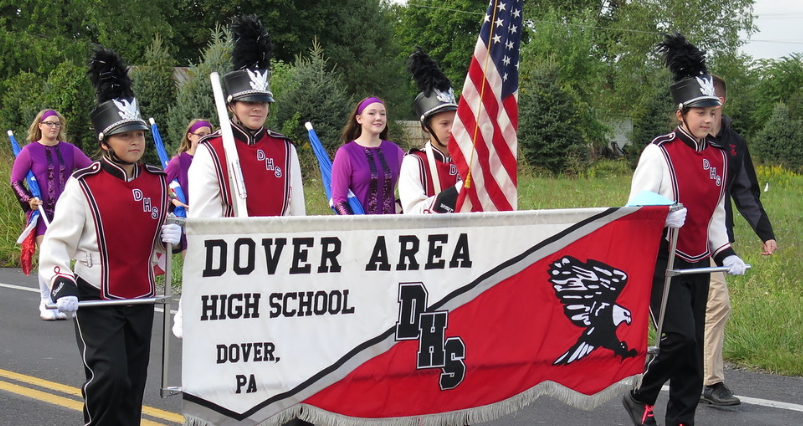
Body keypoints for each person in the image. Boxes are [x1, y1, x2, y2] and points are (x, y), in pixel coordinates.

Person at [38, 48, 182, 426]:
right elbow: (56, 244)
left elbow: (162, 238)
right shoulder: (83, 185)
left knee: (134, 383)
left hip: (142, 294)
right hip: (95, 294)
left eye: (139, 135)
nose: (135, 142)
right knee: (110, 377)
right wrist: (61, 284)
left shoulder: (158, 180)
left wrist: (176, 235)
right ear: (105, 142)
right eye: (125, 136)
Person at [621, 33, 747, 426]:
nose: (708, 119)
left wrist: (726, 253)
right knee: (681, 339)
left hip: (698, 264)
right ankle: (640, 394)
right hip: (662, 260)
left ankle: (682, 419)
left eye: (714, 112)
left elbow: (713, 216)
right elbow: (634, 205)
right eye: (700, 112)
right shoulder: (659, 152)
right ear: (682, 114)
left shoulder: (721, 158)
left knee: (692, 356)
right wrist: (662, 213)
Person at [699, 75, 778, 406]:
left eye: (708, 104)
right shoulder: (680, 143)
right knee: (699, 307)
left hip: (716, 241)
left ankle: (708, 381)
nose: (703, 114)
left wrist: (766, 233)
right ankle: (686, 370)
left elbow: (745, 190)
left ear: (721, 103)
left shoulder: (733, 144)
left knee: (715, 305)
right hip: (678, 238)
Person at [188, 15, 304, 219]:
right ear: (232, 106)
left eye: (262, 102)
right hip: (231, 248)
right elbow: (203, 219)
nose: (257, 108)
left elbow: (296, 212)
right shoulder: (211, 149)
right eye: (249, 102)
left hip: (278, 247)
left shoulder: (285, 149)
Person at [10, 109, 92, 320]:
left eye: (57, 124)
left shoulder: (70, 150)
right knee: (47, 253)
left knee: (66, 256)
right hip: (42, 213)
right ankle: (46, 302)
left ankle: (62, 297)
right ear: (40, 126)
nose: (53, 127)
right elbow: (16, 181)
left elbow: (91, 171)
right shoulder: (29, 151)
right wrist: (29, 200)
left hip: (66, 211)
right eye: (49, 123)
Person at [399, 47, 462, 214]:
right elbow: (415, 212)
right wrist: (460, 189)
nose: (451, 130)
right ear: (427, 127)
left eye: (455, 122)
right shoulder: (414, 162)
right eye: (444, 124)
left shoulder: (467, 160)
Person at [331, 96, 405, 214]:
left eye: (383, 114)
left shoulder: (395, 151)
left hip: (392, 227)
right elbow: (339, 200)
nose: (378, 118)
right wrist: (356, 224)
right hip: (360, 228)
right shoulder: (346, 153)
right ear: (359, 119)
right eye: (372, 113)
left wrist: (400, 205)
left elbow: (417, 183)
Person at [165, 118, 213, 213]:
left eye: (209, 135)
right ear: (190, 136)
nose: (205, 138)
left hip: (212, 215)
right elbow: (157, 186)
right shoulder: (178, 161)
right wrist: (173, 201)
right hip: (189, 218)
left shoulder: (214, 160)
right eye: (201, 134)